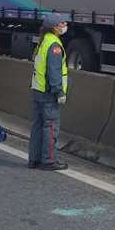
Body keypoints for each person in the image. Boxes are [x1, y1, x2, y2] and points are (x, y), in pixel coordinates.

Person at [28, 13, 69, 171]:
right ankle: (49, 160)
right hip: (48, 92)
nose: (65, 25)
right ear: (54, 27)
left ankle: (34, 159)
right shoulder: (54, 45)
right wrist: (59, 91)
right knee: (51, 127)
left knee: (38, 126)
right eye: (62, 23)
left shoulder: (43, 41)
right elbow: (54, 71)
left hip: (38, 89)